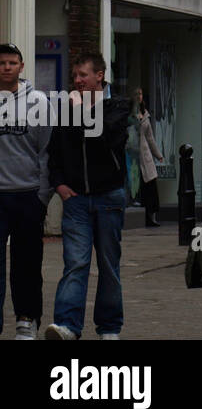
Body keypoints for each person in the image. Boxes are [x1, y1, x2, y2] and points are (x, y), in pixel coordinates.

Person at [45, 53, 131, 341]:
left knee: (108, 265)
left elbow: (106, 136)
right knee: (76, 263)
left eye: (83, 74)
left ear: (100, 75)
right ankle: (67, 325)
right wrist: (59, 185)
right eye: (75, 75)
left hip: (108, 197)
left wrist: (84, 109)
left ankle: (109, 328)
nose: (77, 80)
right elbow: (54, 152)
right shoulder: (66, 109)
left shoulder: (118, 106)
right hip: (77, 200)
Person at [0, 43, 51, 340]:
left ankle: (26, 319)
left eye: (12, 62)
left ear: (21, 67)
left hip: (28, 195)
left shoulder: (39, 102)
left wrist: (42, 196)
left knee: (27, 264)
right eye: (2, 63)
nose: (6, 67)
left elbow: (47, 150)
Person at [131, 90, 165, 227]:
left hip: (145, 155)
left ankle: (151, 216)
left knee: (150, 186)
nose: (139, 96)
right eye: (137, 94)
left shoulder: (145, 114)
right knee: (137, 188)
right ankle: (141, 216)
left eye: (140, 94)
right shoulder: (129, 114)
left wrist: (158, 155)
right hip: (133, 155)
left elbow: (150, 137)